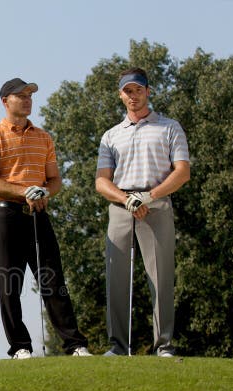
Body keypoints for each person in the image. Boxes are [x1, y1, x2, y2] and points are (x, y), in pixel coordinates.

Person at [0, 78, 91, 359]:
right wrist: (23, 191)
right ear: (6, 101)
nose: (28, 100)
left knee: (53, 281)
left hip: (38, 214)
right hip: (8, 214)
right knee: (10, 284)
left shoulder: (43, 137)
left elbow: (55, 180)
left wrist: (43, 192)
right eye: (21, 96)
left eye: (30, 95)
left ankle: (74, 344)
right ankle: (20, 346)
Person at [95, 67, 190, 357]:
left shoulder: (170, 127)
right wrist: (126, 199)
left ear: (148, 92)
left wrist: (150, 195)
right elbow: (101, 181)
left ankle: (164, 346)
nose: (132, 96)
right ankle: (118, 346)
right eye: (127, 91)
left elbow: (182, 172)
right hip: (121, 206)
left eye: (137, 90)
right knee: (117, 277)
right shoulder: (111, 135)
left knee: (160, 277)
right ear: (120, 95)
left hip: (157, 203)